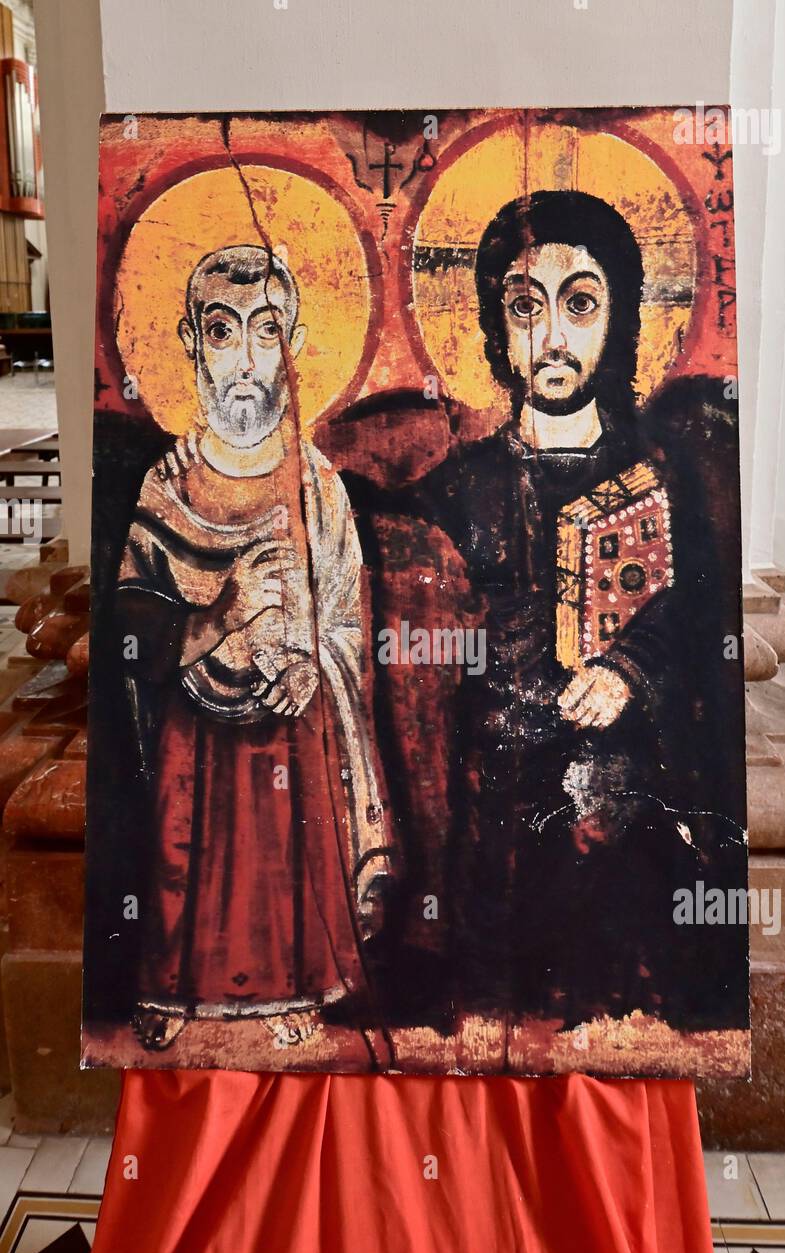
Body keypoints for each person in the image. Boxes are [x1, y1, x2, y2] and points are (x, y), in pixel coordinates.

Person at [347, 190, 748, 1031]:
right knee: (493, 1005)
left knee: (611, 1012)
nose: (554, 338)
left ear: (618, 318)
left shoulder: (663, 474)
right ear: (497, 327)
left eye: (581, 304)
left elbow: (698, 614)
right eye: (526, 307)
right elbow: (405, 596)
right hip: (493, 808)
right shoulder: (461, 481)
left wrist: (631, 672)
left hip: (622, 807)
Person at [116, 244, 392, 1052]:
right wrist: (220, 617)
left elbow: (346, 617)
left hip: (287, 724)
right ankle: (172, 986)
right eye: (222, 330)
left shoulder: (317, 488)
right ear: (190, 341)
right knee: (181, 845)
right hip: (190, 731)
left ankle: (293, 984)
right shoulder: (166, 487)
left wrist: (312, 664)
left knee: (283, 844)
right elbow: (134, 623)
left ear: (293, 343)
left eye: (264, 331)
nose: (244, 358)